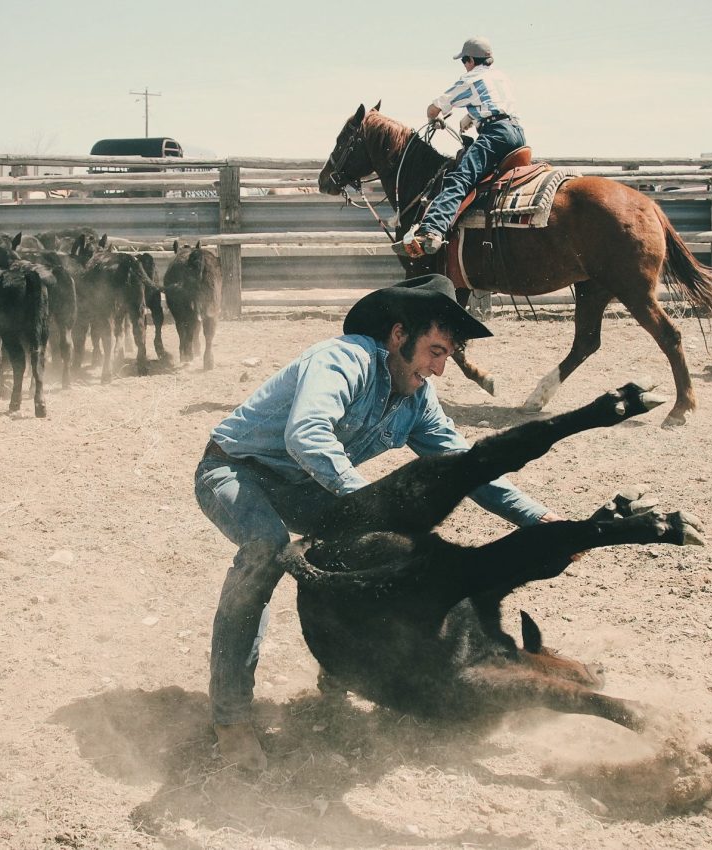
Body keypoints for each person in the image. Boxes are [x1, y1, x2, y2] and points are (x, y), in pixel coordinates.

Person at [194, 274, 559, 770]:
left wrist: (536, 518)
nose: (439, 368)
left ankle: (341, 668)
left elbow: (466, 467)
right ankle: (231, 716)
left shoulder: (418, 399)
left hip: (311, 487)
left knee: (381, 548)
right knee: (265, 548)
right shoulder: (341, 359)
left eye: (447, 356)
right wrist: (365, 503)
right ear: (397, 336)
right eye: (434, 351)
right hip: (235, 469)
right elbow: (308, 433)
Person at [396, 37, 526, 259]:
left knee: (460, 178)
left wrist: (434, 118)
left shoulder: (469, 79)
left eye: (464, 60)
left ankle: (432, 230)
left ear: (470, 60)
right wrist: (470, 117)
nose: (464, 65)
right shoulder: (501, 77)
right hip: (517, 133)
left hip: (495, 134)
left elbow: (434, 108)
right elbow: (496, 105)